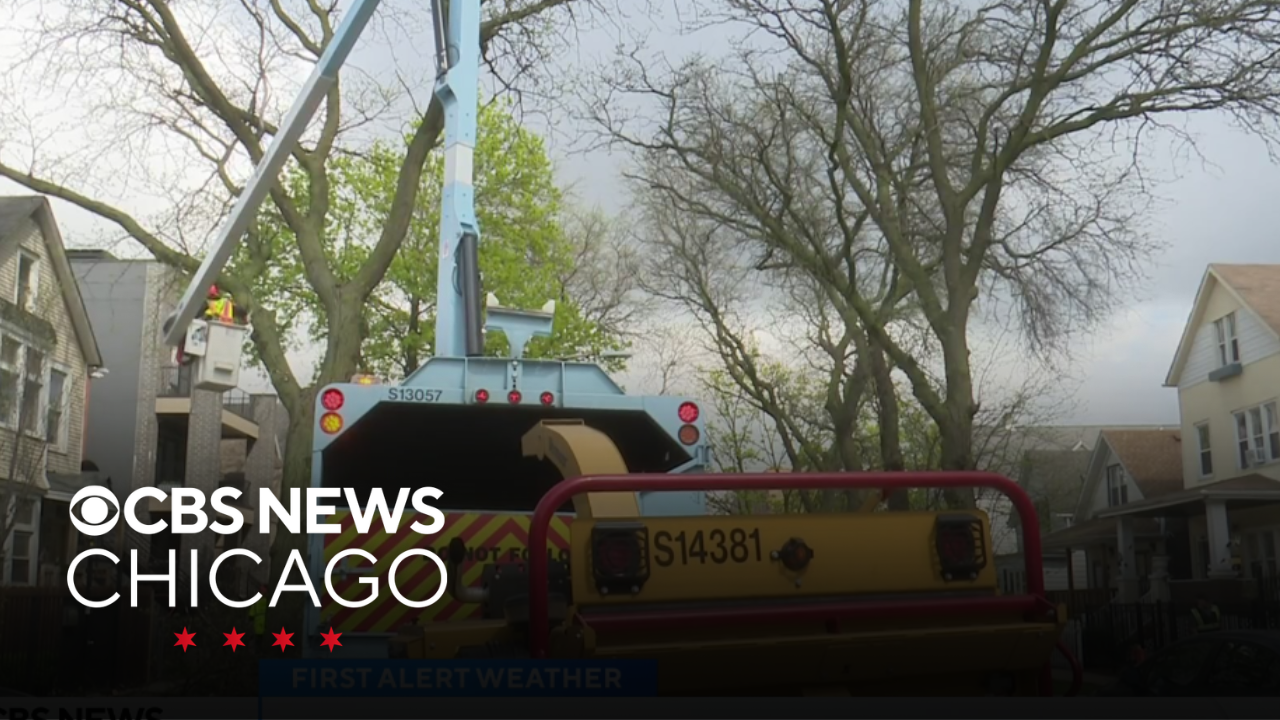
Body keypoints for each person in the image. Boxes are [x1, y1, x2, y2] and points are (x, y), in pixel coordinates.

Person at [249, 583, 269, 651]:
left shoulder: (258, 601)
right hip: (260, 627)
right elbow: (252, 612)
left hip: (261, 626)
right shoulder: (266, 601)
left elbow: (251, 613)